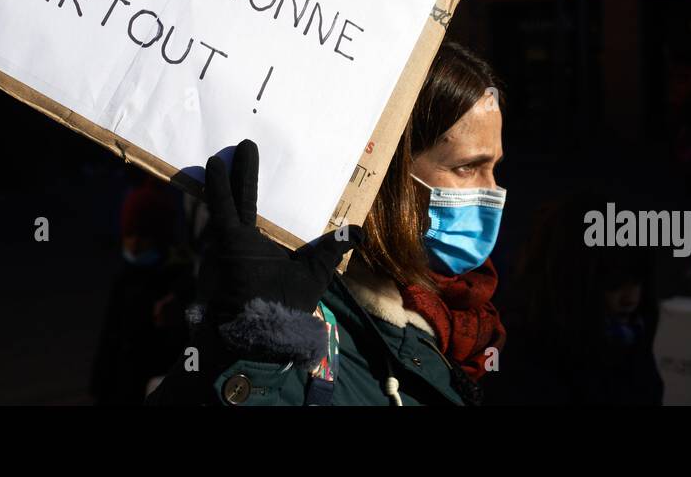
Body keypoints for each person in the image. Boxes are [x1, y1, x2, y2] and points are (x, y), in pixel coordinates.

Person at [146, 41, 507, 406]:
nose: (493, 191)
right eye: (467, 167)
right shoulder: (302, 324)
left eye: (494, 167)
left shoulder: (464, 319)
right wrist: (256, 352)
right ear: (386, 174)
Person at [495, 191, 663, 406]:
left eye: (638, 282)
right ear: (572, 278)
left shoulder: (629, 333)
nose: (631, 299)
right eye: (613, 285)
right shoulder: (523, 345)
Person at [88, 176, 195, 405]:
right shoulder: (124, 278)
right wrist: (100, 385)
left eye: (143, 237)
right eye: (129, 236)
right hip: (121, 387)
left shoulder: (180, 283)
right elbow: (110, 338)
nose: (135, 244)